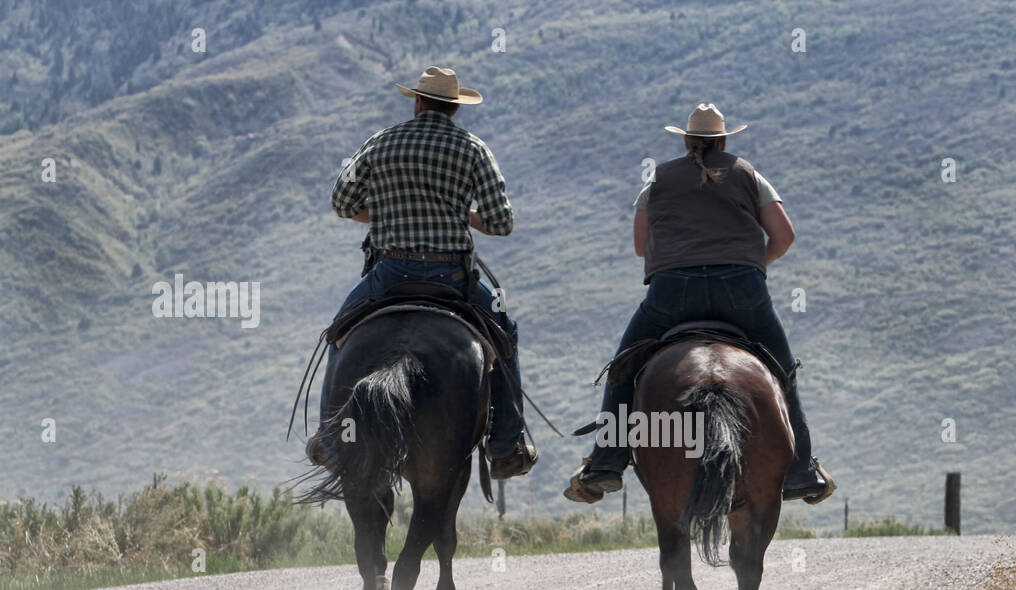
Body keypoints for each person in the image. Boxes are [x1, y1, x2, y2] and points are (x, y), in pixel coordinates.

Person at [564, 103, 833, 504]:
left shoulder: (657, 181)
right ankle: (801, 471)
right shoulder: (749, 175)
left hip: (673, 292)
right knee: (783, 371)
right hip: (741, 291)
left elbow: (641, 246)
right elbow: (784, 235)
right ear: (724, 140)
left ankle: (606, 462)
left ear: (687, 140)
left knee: (622, 370)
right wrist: (752, 264)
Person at [308, 66, 536, 479]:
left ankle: (329, 436)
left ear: (417, 101)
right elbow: (502, 223)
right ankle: (505, 443)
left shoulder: (381, 142)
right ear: (454, 108)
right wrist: (461, 215)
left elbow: (342, 203)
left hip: (390, 273)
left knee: (338, 332)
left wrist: (387, 211)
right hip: (453, 278)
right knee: (505, 335)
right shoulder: (473, 149)